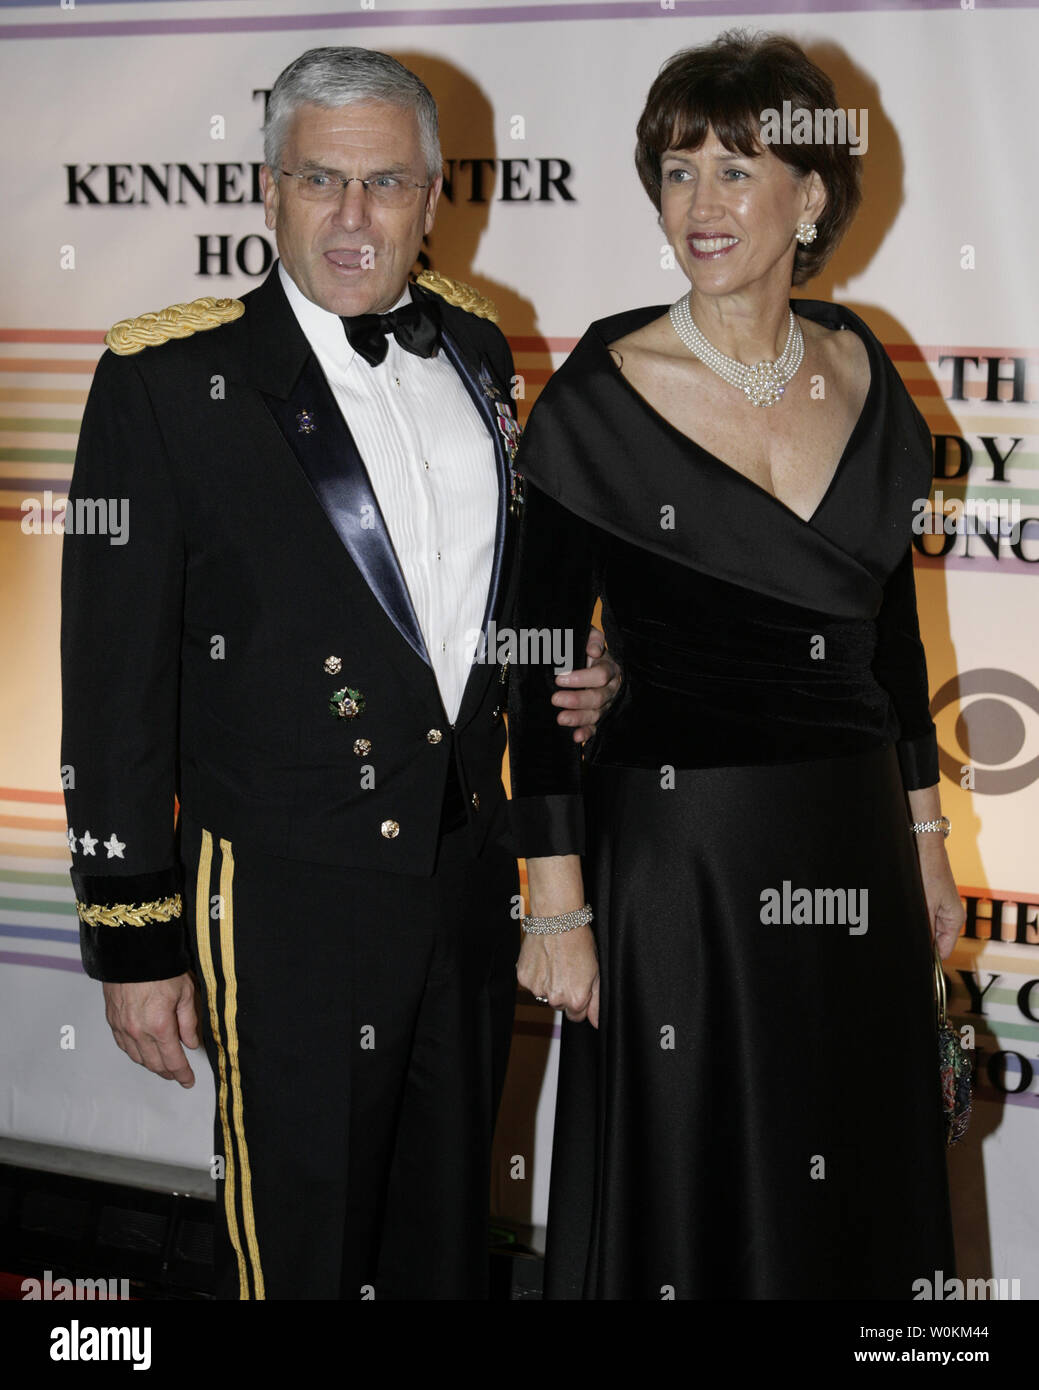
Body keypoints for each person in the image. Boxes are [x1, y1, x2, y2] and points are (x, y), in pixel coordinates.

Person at [60, 45, 620, 1301]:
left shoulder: (481, 349)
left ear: (435, 196)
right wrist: (135, 940)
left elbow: (493, 605)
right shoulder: (162, 379)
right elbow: (109, 692)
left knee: (439, 1239)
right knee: (300, 1253)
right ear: (269, 189)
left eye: (385, 185)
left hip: (465, 883)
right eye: (321, 181)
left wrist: (583, 671)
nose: (354, 219)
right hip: (284, 894)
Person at [506, 29, 963, 1300]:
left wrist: (924, 839)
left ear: (811, 195)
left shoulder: (868, 370)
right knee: (693, 1183)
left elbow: (891, 638)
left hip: (851, 844)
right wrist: (554, 904)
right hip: (678, 862)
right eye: (675, 171)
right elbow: (532, 661)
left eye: (733, 168)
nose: (699, 205)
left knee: (852, 1186)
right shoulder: (603, 390)